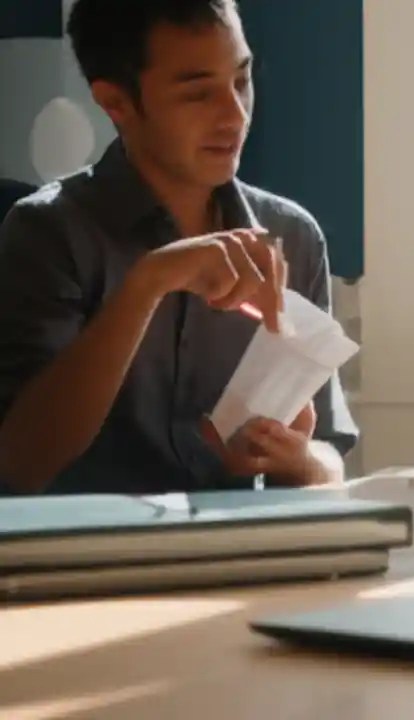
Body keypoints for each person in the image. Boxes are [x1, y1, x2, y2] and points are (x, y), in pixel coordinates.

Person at [0, 0, 358, 495]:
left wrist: (301, 463)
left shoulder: (290, 234)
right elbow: (20, 465)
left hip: (251, 560)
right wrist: (147, 285)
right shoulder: (47, 232)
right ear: (116, 103)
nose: (234, 115)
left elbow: (330, 456)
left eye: (241, 80)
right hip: (89, 560)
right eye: (198, 94)